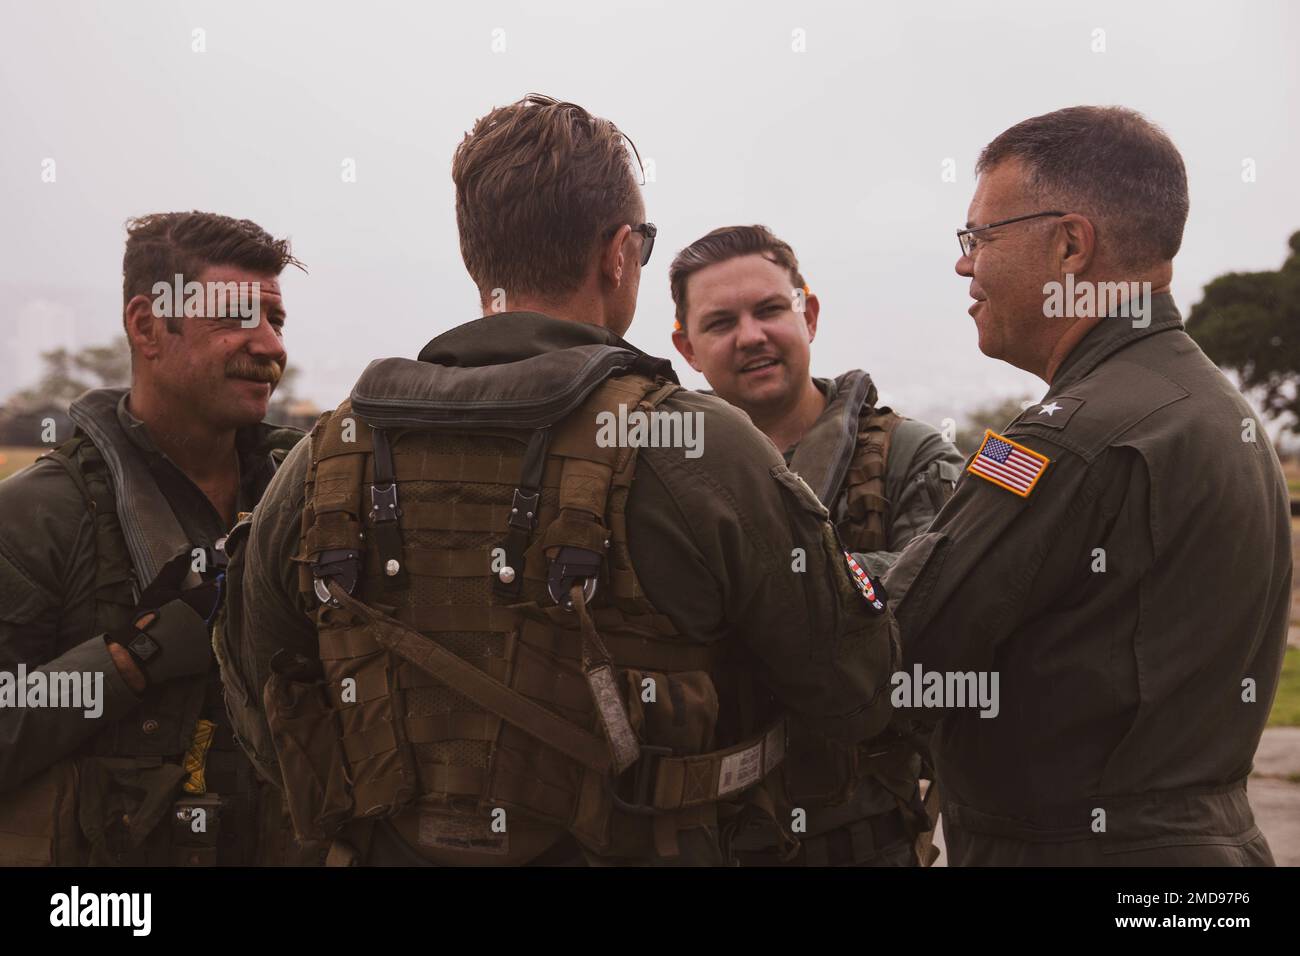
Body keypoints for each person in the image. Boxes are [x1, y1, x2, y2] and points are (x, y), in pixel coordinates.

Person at [219, 95, 899, 867]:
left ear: (480, 256)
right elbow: (856, 688)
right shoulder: (698, 445)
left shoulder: (328, 454)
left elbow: (259, 692)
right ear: (617, 254)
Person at [887, 106, 1291, 865]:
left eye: (979, 238)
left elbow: (903, 640)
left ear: (1070, 244)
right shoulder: (1209, 407)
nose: (964, 265)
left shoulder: (1069, 436)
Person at [0, 211, 309, 865]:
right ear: (147, 326)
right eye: (234, 316)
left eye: (275, 320)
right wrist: (130, 659)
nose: (269, 346)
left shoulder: (304, 504)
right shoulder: (38, 518)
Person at [668, 224, 964, 866]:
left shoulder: (909, 457)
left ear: (810, 313)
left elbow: (946, 609)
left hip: (861, 839)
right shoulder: (663, 471)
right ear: (686, 347)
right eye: (721, 323)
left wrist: (760, 595)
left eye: (770, 309)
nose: (752, 335)